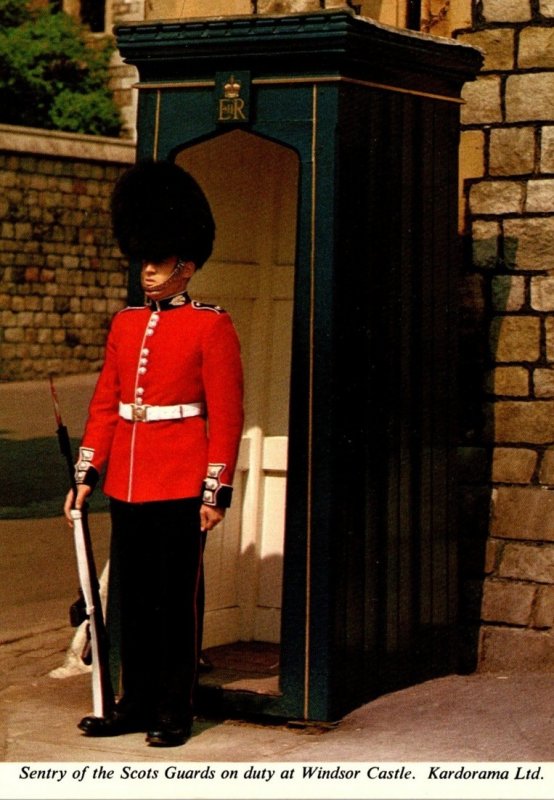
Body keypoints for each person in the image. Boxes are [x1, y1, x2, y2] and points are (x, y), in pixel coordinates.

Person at [64, 158, 244, 747]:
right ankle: (134, 703)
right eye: (143, 259)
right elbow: (106, 405)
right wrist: (87, 473)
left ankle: (173, 709)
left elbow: (227, 416)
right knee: (133, 601)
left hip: (181, 482)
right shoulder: (125, 324)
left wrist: (215, 491)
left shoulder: (211, 326)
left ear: (184, 266)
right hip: (129, 482)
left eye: (158, 261)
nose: (146, 269)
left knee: (173, 603)